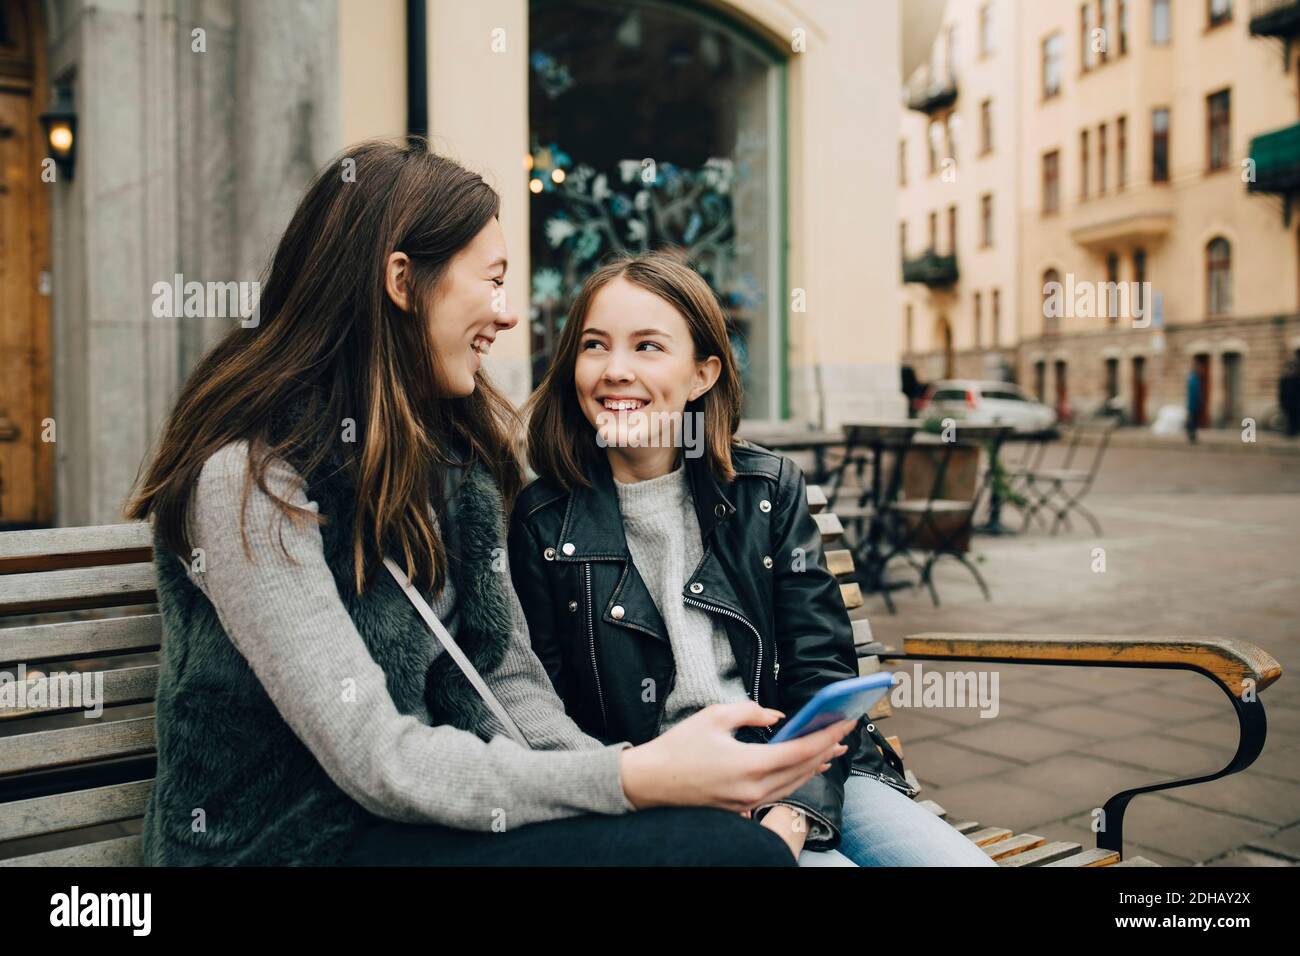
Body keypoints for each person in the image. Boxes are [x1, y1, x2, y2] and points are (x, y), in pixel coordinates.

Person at [124, 141, 856, 867]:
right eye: (494, 281)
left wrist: (631, 794)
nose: (508, 317)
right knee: (731, 858)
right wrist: (633, 778)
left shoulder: (455, 466)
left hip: (422, 821)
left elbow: (507, 685)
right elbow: (376, 760)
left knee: (721, 846)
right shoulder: (249, 480)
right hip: (288, 846)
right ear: (403, 282)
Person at [510, 252, 997, 867]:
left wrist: (792, 813)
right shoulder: (543, 521)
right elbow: (552, 716)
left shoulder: (766, 491)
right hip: (673, 793)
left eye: (649, 346)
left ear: (703, 375)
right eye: (594, 345)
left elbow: (821, 670)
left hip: (811, 766)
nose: (615, 370)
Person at [1186, 360, 1202, 444]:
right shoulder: (1193, 378)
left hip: (1194, 404)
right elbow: (1194, 392)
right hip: (1193, 404)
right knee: (1192, 421)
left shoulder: (1194, 378)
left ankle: (1192, 436)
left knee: (1193, 421)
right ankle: (1191, 436)